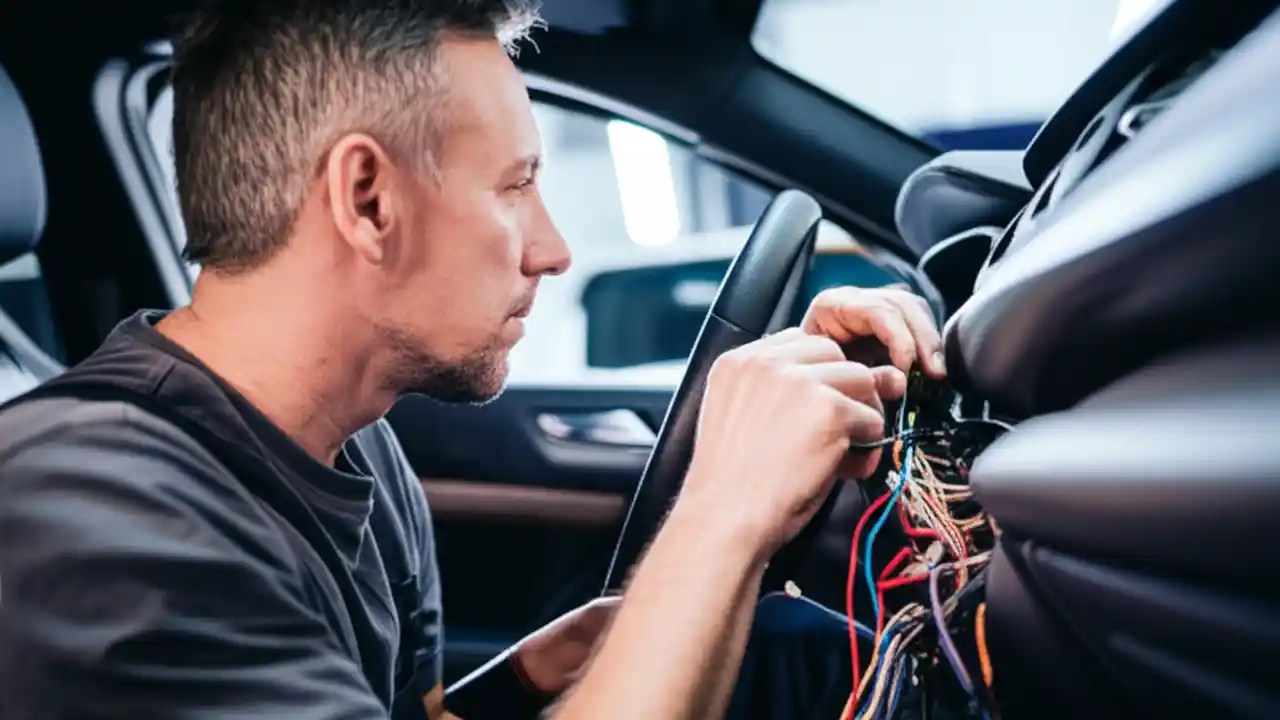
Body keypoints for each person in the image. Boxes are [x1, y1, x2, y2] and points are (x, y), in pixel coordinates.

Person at [0, 1, 946, 718]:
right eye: (516, 187)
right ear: (367, 199)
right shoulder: (90, 523)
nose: (553, 249)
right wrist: (726, 509)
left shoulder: (356, 449)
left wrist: (532, 677)